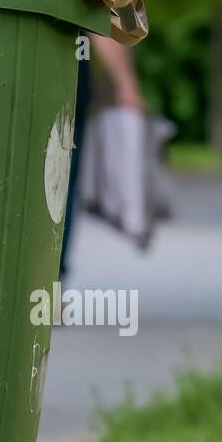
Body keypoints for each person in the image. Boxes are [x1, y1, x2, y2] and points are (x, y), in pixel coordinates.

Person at [60, 35, 144, 275]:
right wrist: (127, 84)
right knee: (59, 187)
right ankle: (50, 285)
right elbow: (103, 20)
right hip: (66, 83)